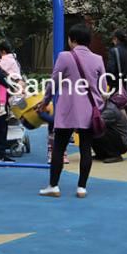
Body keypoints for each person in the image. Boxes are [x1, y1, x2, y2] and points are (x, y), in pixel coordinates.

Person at [37, 24, 105, 199]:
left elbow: (54, 82)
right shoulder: (98, 59)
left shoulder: (65, 57)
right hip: (89, 110)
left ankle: (53, 186)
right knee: (85, 149)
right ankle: (81, 188)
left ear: (72, 40)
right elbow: (103, 88)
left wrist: (45, 101)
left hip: (67, 109)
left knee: (59, 147)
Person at [0, 39, 25, 118]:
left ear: (3, 51)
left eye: (0, 52)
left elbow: (0, 67)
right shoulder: (13, 58)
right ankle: (15, 114)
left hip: (14, 82)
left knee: (3, 88)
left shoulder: (6, 59)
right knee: (16, 99)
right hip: (19, 81)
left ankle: (4, 109)